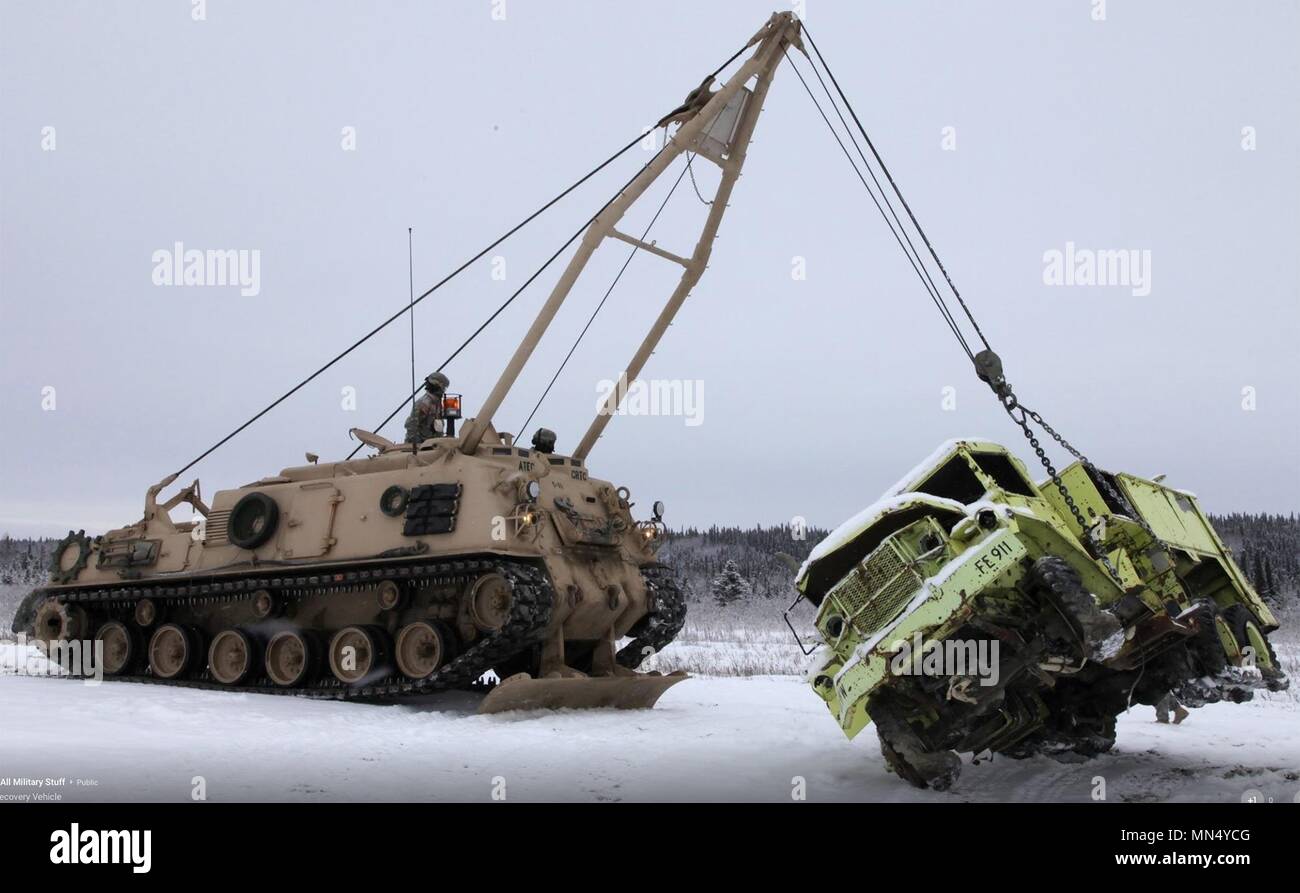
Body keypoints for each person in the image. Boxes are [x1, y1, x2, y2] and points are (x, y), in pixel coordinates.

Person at [405, 372, 449, 444]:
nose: (443, 391)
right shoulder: (424, 403)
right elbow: (412, 426)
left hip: (433, 444)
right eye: (443, 387)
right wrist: (417, 444)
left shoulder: (437, 403)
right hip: (421, 446)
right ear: (437, 386)